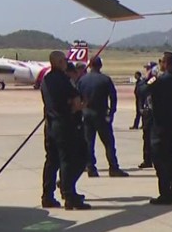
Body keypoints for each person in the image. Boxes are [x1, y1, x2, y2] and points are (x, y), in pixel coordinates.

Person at [40, 50, 91, 210]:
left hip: (50, 125)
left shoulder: (46, 80)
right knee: (69, 159)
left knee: (51, 161)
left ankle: (47, 196)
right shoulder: (64, 80)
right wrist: (83, 105)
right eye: (64, 60)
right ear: (60, 62)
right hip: (65, 125)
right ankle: (69, 195)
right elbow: (76, 103)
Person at [140, 51, 172, 204]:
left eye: (161, 61)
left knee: (161, 162)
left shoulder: (160, 81)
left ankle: (165, 194)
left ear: (165, 63)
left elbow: (141, 90)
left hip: (161, 127)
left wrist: (148, 76)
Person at [78, 56, 129, 178]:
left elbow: (78, 97)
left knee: (89, 143)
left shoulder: (82, 80)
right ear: (100, 66)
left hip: (86, 114)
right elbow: (113, 97)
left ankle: (91, 168)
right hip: (101, 114)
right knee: (108, 143)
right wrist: (111, 113)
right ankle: (113, 167)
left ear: (90, 66)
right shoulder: (105, 79)